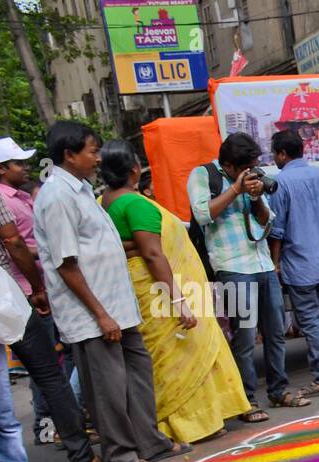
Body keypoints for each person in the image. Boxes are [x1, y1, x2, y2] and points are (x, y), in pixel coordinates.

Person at [34, 121, 183, 462]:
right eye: (92, 151)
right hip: (92, 312)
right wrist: (100, 314)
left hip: (119, 304)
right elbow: (66, 264)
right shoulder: (56, 196)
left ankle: (149, 441)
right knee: (109, 386)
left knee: (137, 372)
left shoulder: (83, 189)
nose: (98, 158)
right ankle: (121, 452)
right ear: (69, 156)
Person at [98, 141, 250, 442]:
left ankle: (178, 420)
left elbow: (125, 246)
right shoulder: (136, 204)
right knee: (180, 354)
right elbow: (153, 254)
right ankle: (188, 423)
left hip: (141, 290)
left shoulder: (104, 202)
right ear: (134, 170)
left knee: (158, 359)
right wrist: (179, 300)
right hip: (161, 292)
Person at [0, 141, 101, 462]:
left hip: (25, 292)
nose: (24, 168)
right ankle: (75, 449)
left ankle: (52, 436)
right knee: (49, 370)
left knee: (50, 367)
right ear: (1, 168)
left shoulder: (25, 196)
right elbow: (14, 243)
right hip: (18, 295)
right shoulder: (4, 198)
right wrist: (38, 288)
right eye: (17, 163)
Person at [189, 132, 305, 419]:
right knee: (244, 336)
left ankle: (278, 390)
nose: (251, 172)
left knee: (276, 331)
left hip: (262, 263)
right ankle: (246, 400)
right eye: (245, 168)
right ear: (228, 166)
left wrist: (255, 199)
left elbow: (266, 222)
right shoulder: (203, 175)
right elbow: (203, 214)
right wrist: (235, 191)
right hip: (231, 266)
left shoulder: (251, 178)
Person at [267, 129, 319, 396]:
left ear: (282, 153)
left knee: (312, 321)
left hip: (299, 266)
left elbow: (276, 230)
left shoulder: (282, 183)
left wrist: (275, 263)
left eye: (274, 153)